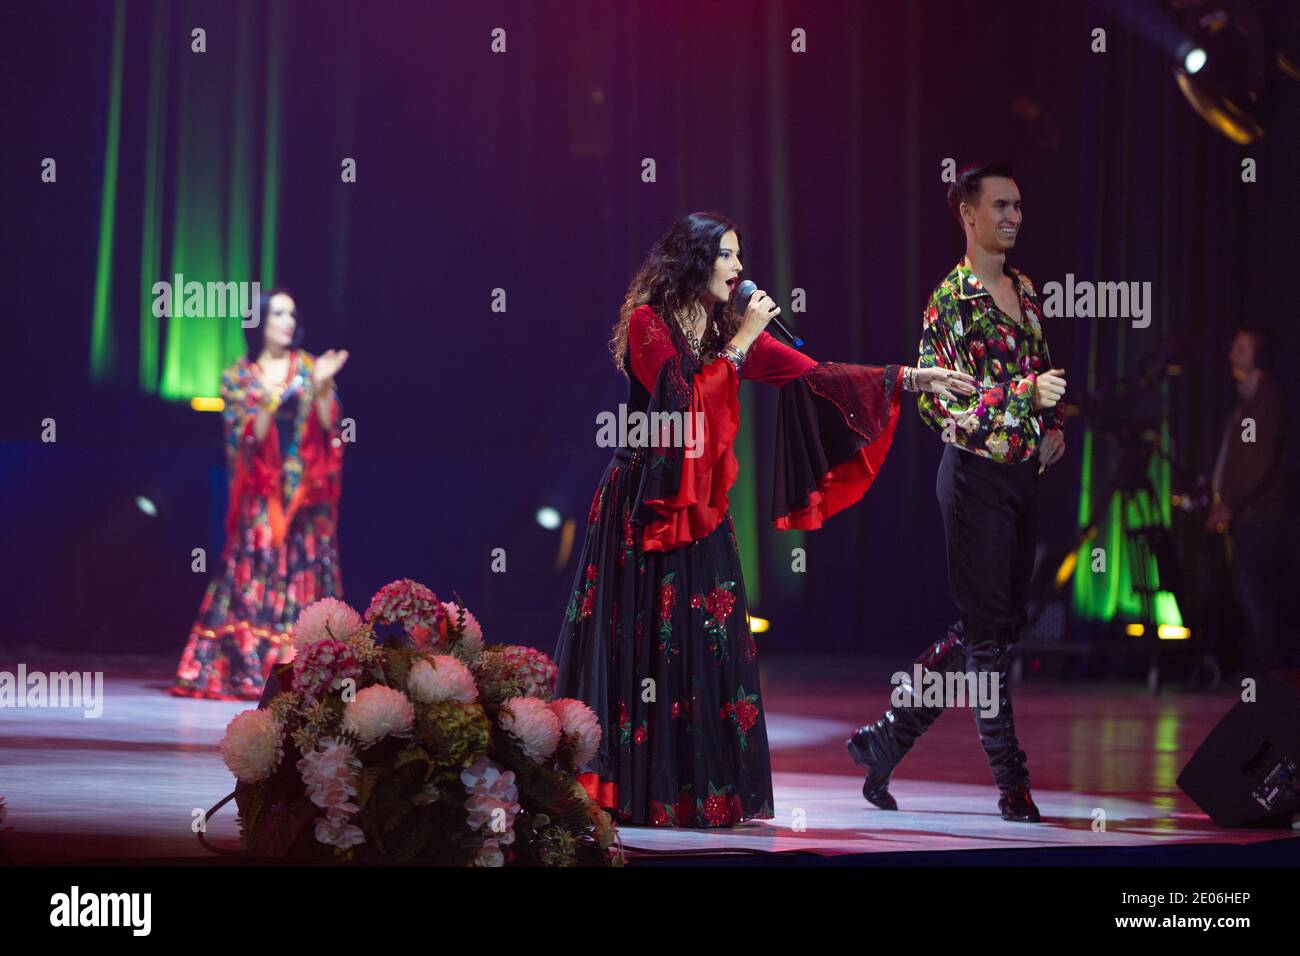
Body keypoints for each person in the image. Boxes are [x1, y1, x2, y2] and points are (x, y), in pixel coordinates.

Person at [553, 211, 975, 827]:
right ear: (695, 261)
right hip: (648, 504)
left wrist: (911, 378)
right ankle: (634, 792)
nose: (740, 269)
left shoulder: (728, 327)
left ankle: (695, 792)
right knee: (644, 648)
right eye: (728, 255)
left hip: (703, 510)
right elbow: (680, 403)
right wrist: (742, 342)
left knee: (704, 644)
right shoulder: (651, 322)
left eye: (739, 256)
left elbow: (815, 375)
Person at [847, 162, 1066, 822]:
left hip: (1022, 475)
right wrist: (1026, 400)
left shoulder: (1025, 290)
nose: (1013, 216)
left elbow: (1039, 365)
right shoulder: (952, 302)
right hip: (972, 479)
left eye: (1019, 205)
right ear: (968, 215)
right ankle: (1011, 784)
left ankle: (885, 741)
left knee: (990, 628)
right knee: (990, 641)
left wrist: (1050, 426)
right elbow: (943, 410)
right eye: (1001, 204)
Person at [170, 289, 349, 699]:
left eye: (292, 313)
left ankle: (305, 666)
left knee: (305, 567)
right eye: (278, 314)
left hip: (304, 496)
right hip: (261, 494)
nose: (288, 321)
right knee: (256, 565)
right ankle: (247, 667)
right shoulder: (239, 376)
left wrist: (320, 387)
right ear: (260, 321)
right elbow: (248, 436)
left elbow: (328, 429)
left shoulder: (309, 366)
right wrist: (273, 397)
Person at [1205, 328, 1289, 674]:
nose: (1231, 355)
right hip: (1247, 518)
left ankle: (1269, 682)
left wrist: (1230, 503)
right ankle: (1262, 681)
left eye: (1240, 349)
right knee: (1248, 600)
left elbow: (1257, 460)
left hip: (1258, 519)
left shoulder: (1264, 400)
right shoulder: (1246, 402)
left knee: (1258, 602)